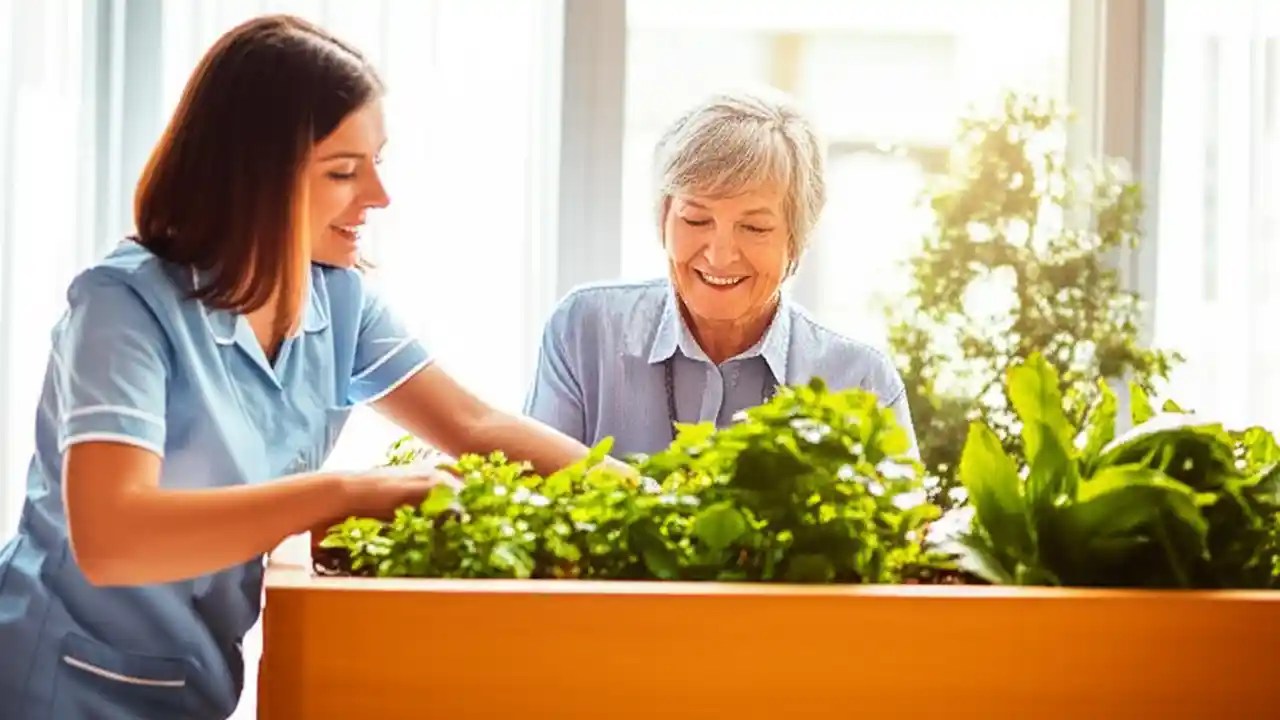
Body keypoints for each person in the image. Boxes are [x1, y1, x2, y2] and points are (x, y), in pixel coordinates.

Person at [0, 15, 607, 720]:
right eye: (344, 171)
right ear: (253, 177)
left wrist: (663, 504)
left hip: (189, 689)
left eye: (378, 162)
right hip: (53, 686)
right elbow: (112, 539)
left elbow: (473, 422)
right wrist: (345, 491)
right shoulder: (123, 308)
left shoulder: (336, 301)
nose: (378, 195)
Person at [525, 88, 918, 459]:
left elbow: (902, 527)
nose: (720, 254)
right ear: (663, 218)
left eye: (754, 228)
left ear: (796, 239)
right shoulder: (584, 330)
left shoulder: (861, 381)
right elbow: (530, 502)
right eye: (696, 220)